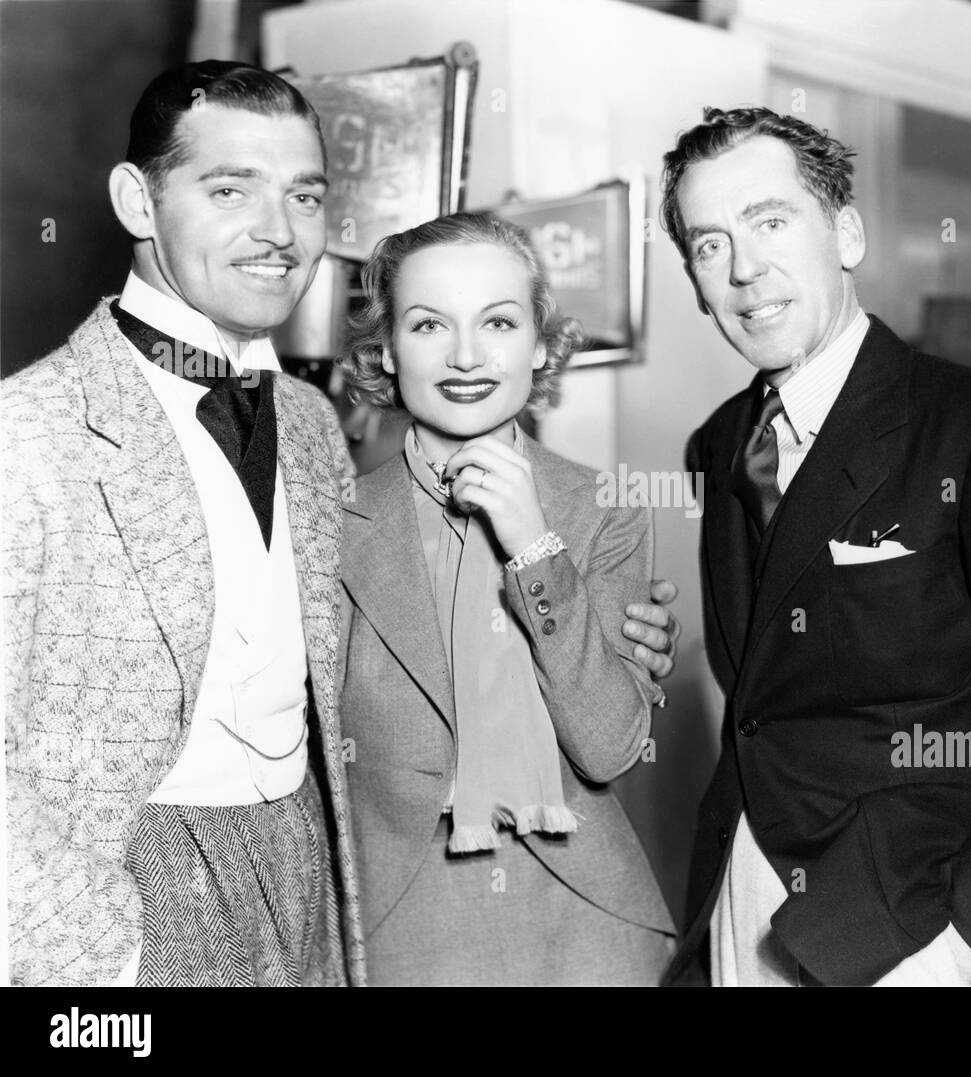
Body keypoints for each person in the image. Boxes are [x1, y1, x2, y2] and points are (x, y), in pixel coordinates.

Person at [1, 60, 676, 987]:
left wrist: (589, 614)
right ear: (137, 201)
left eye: (305, 194)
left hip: (318, 900)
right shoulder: (25, 430)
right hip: (131, 914)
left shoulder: (314, 430)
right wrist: (98, 958)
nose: (278, 232)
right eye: (230, 188)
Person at [658, 107, 971, 987]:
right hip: (743, 902)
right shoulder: (719, 445)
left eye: (771, 221)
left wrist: (965, 944)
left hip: (916, 925)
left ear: (845, 232)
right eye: (708, 244)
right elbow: (763, 701)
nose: (744, 269)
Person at [335, 212, 677, 986]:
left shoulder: (604, 507)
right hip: (402, 926)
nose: (465, 355)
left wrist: (533, 545)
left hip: (589, 923)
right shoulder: (328, 523)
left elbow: (609, 744)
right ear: (387, 348)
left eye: (498, 320)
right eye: (429, 324)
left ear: (541, 344)